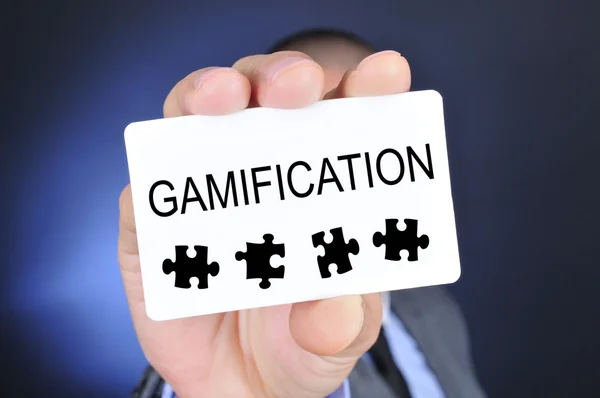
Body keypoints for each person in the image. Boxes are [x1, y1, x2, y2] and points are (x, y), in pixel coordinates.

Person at [120, 28, 487, 398]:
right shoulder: (233, 323)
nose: (330, 186)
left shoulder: (432, 306)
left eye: (361, 141)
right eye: (303, 146)